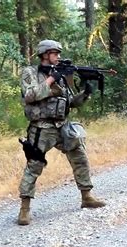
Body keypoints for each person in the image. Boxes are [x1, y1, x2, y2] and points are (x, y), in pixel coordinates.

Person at [17, 40, 105, 226]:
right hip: (42, 128)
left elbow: (70, 103)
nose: (58, 56)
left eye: (58, 53)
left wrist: (85, 94)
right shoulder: (30, 72)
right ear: (44, 54)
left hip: (63, 126)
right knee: (34, 165)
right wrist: (51, 79)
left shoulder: (62, 76)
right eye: (54, 53)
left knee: (80, 157)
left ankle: (86, 196)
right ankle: (24, 209)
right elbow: (29, 96)